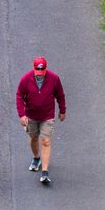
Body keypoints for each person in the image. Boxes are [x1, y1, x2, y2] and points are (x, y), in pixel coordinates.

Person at [16, 56, 66, 185]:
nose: (40, 74)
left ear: (46, 68)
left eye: (42, 71)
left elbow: (60, 95)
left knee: (45, 140)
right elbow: (19, 95)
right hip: (31, 115)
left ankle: (44, 171)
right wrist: (22, 114)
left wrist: (62, 110)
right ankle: (36, 158)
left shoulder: (54, 79)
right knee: (33, 138)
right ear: (34, 69)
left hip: (47, 116)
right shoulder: (26, 79)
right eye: (37, 71)